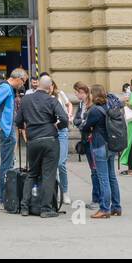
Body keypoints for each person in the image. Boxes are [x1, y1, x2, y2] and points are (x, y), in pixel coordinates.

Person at [16, 76, 67, 217]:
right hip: (50, 140)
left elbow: (18, 120)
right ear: (50, 87)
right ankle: (45, 209)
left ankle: (25, 207)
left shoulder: (26, 100)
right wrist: (57, 126)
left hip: (33, 140)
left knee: (32, 173)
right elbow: (64, 118)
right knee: (48, 175)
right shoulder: (52, 100)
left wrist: (25, 128)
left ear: (38, 84)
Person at [80, 84, 122, 218]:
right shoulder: (109, 106)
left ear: (94, 94)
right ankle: (116, 206)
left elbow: (85, 127)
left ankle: (104, 208)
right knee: (112, 177)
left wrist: (85, 123)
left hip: (100, 145)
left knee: (103, 178)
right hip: (111, 144)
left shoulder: (95, 110)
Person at [0, 68, 27, 197]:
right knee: (7, 164)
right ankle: (3, 197)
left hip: (6, 128)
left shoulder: (4, 86)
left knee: (8, 162)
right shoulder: (5, 88)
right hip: (6, 129)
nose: (23, 84)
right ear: (18, 78)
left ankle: (5, 195)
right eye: (23, 81)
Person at [43, 74, 75, 204]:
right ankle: (54, 192)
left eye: (50, 84)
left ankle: (65, 191)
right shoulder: (42, 97)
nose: (48, 87)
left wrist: (69, 114)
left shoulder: (59, 94)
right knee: (51, 164)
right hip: (49, 132)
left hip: (61, 131)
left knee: (61, 163)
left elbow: (69, 104)